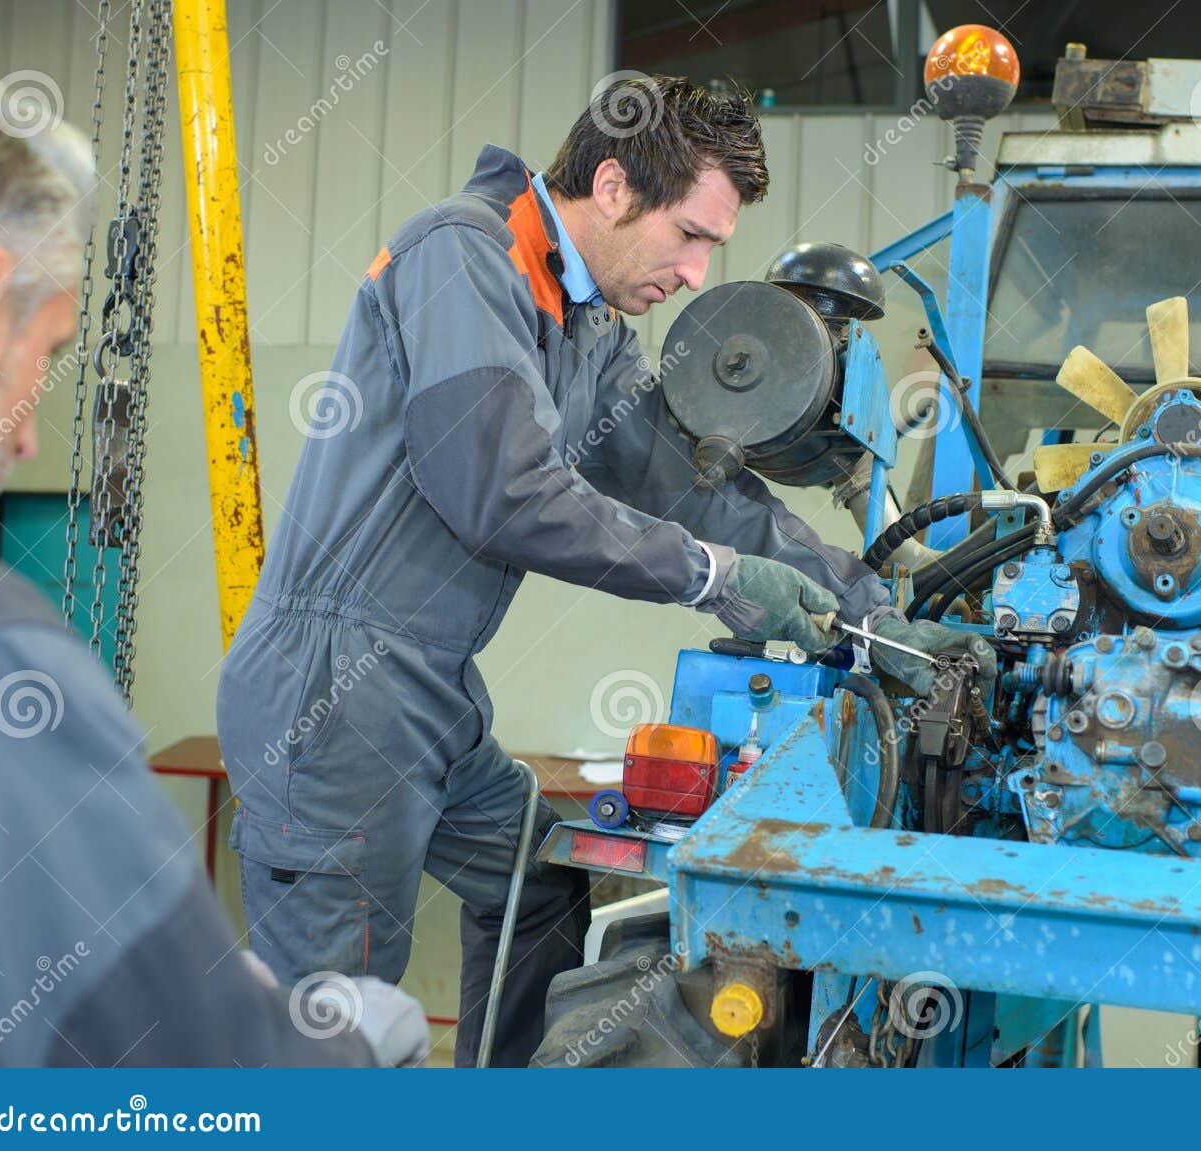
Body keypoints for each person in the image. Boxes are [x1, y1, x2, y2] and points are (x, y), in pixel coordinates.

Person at [216, 75, 993, 1067]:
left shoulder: (590, 332)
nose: (701, 276)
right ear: (616, 186)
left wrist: (866, 603)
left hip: (435, 692)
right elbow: (500, 491)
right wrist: (716, 578)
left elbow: (692, 491)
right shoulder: (462, 258)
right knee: (341, 1025)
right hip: (335, 689)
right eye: (691, 236)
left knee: (533, 875)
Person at [0, 67, 426, 1067]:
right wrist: (353, 1039)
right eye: (45, 354)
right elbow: (206, 1083)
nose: (24, 439)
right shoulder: (2, 663)